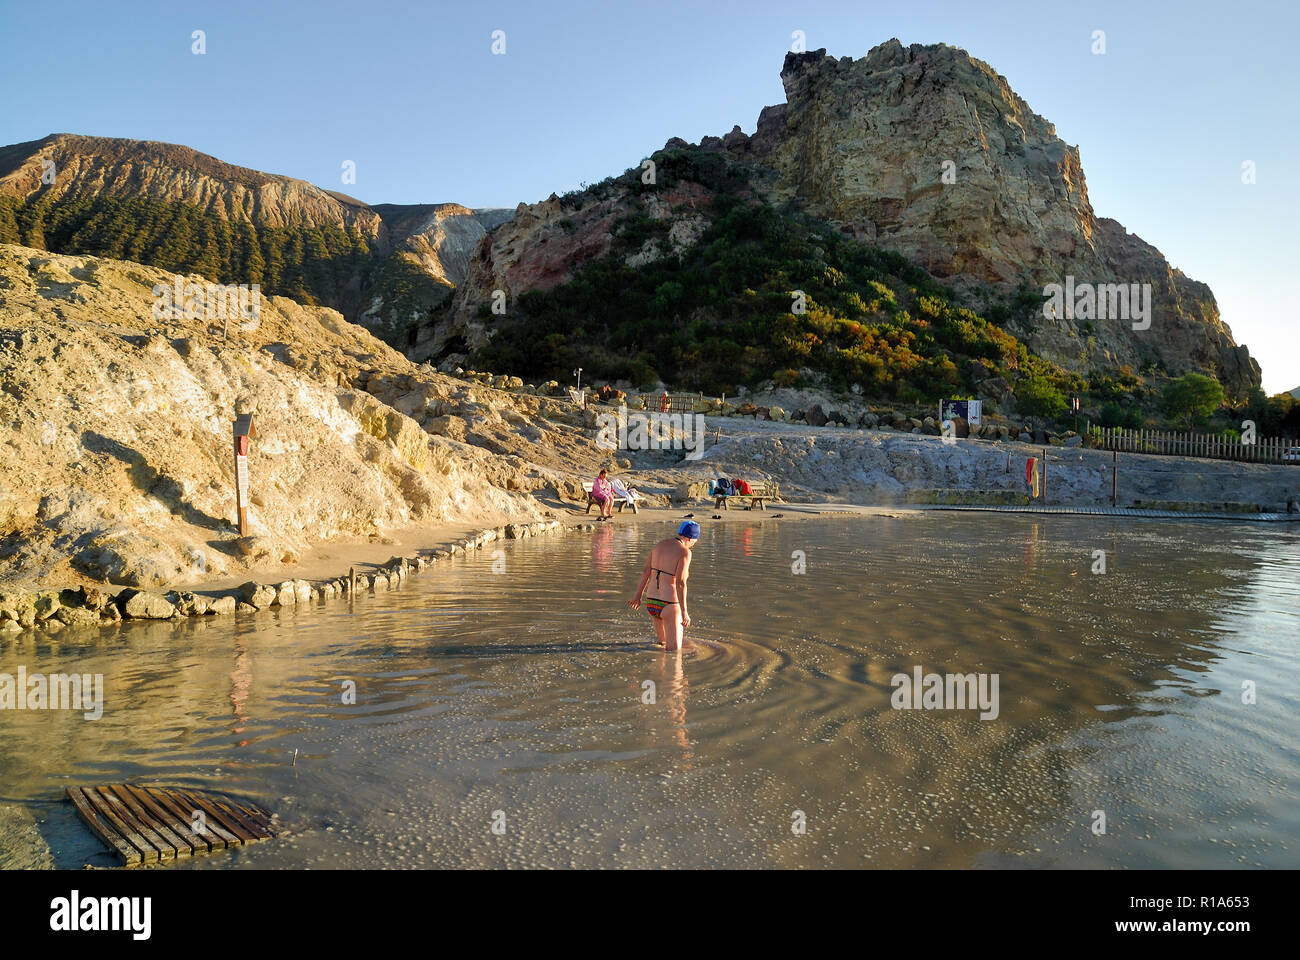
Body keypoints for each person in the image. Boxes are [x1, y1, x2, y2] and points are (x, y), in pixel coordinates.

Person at [628, 521, 698, 651]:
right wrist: (684, 612)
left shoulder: (659, 545)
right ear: (689, 538)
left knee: (661, 645)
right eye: (695, 540)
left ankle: (658, 668)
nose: (694, 544)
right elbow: (681, 583)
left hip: (652, 602)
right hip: (669, 604)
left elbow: (645, 572)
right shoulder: (685, 552)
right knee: (674, 653)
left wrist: (637, 597)